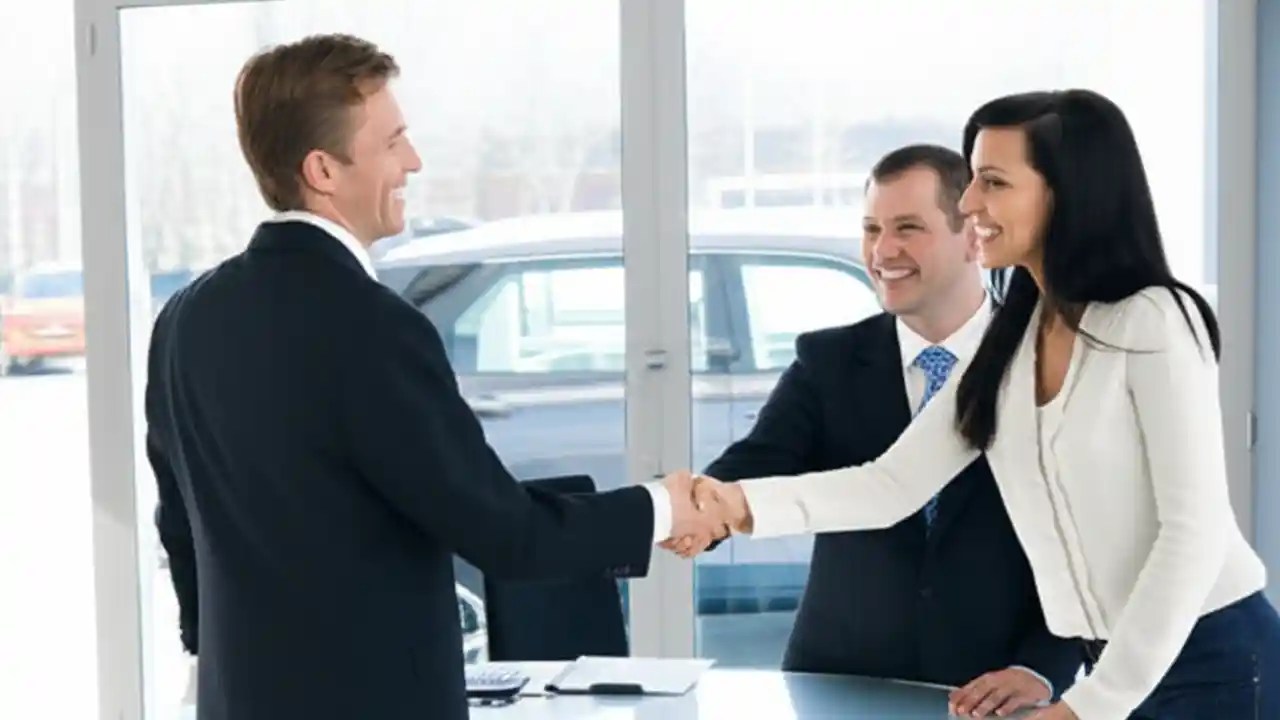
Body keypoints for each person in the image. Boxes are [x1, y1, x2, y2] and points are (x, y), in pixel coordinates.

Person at [147, 34, 714, 720]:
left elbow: (180, 525)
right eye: (393, 142)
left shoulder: (184, 318)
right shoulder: (371, 324)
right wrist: (662, 507)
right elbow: (504, 532)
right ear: (324, 169)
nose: (413, 162)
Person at [675, 89, 1280, 720]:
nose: (969, 204)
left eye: (992, 182)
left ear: (1066, 190)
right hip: (1115, 662)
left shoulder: (1153, 319)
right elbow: (892, 484)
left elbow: (1195, 531)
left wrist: (1089, 705)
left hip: (1217, 660)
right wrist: (736, 505)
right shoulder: (1013, 341)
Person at [699, 144, 1079, 711]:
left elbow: (1087, 542)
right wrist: (694, 507)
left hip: (992, 690)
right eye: (872, 227)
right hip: (837, 684)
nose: (882, 251)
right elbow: (753, 466)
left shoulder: (1042, 361)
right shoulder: (827, 362)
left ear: (974, 235)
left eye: (908, 227)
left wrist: (1043, 666)